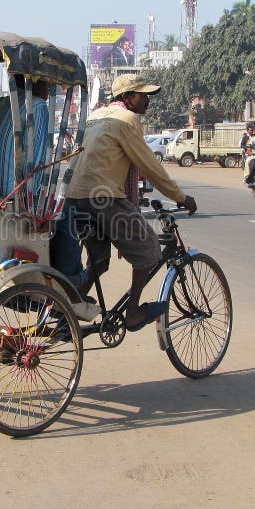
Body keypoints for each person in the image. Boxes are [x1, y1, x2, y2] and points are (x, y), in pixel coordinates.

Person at [66, 74, 197, 332]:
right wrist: (181, 197)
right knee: (149, 251)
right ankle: (134, 311)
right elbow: (149, 166)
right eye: (142, 95)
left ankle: (66, 307)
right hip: (103, 198)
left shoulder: (95, 116)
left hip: (74, 198)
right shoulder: (126, 120)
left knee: (99, 262)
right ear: (127, 97)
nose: (147, 100)